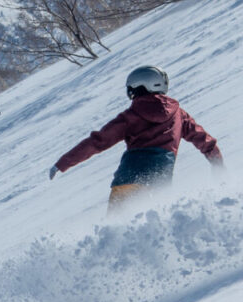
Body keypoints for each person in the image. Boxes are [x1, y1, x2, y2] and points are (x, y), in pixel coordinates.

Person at [48, 64, 223, 211]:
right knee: (153, 232)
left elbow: (98, 141)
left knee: (116, 233)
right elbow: (203, 139)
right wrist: (217, 164)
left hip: (128, 179)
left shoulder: (130, 116)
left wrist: (63, 163)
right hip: (159, 181)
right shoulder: (178, 115)